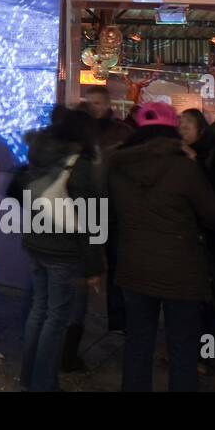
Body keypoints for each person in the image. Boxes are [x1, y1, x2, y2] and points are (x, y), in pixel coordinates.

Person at [106, 101, 215, 392]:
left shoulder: (118, 167)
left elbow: (108, 216)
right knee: (183, 347)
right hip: (181, 273)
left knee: (137, 342)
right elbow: (214, 216)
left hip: (133, 267)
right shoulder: (184, 167)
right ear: (171, 130)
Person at [8, 106, 104, 391]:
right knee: (56, 318)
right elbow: (90, 217)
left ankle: (29, 379)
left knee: (39, 310)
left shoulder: (40, 151)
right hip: (63, 248)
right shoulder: (80, 163)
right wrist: (94, 266)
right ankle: (43, 383)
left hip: (36, 240)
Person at [179, 107, 215, 374]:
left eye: (186, 125)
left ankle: (207, 356)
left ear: (199, 127)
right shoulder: (184, 153)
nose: (181, 130)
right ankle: (190, 353)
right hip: (188, 236)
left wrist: (194, 162)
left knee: (210, 302)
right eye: (179, 125)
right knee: (189, 302)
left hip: (209, 237)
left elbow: (214, 191)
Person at [80, 84, 132, 332]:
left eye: (98, 102)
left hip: (113, 207)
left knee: (117, 264)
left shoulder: (122, 132)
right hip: (87, 206)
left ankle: (118, 319)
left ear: (108, 104)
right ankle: (76, 322)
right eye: (90, 103)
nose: (94, 107)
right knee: (84, 264)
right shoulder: (80, 132)